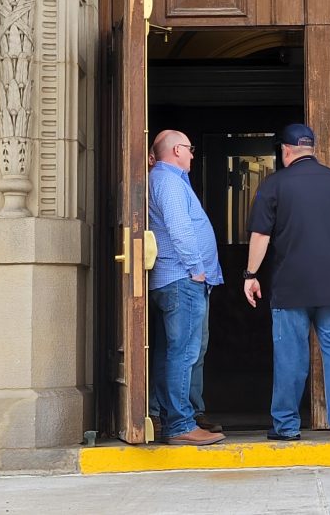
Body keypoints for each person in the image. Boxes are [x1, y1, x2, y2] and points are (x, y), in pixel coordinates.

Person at [243, 123, 330, 442]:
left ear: (285, 151)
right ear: (311, 148)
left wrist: (251, 274)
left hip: (291, 287)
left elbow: (261, 235)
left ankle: (286, 425)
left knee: (291, 357)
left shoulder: (274, 185)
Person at [148, 129, 225, 446]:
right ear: (177, 150)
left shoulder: (168, 180)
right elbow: (180, 229)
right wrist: (197, 269)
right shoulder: (167, 181)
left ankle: (173, 417)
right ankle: (180, 425)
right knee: (184, 352)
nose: (193, 154)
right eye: (190, 149)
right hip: (182, 279)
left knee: (173, 352)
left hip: (179, 280)